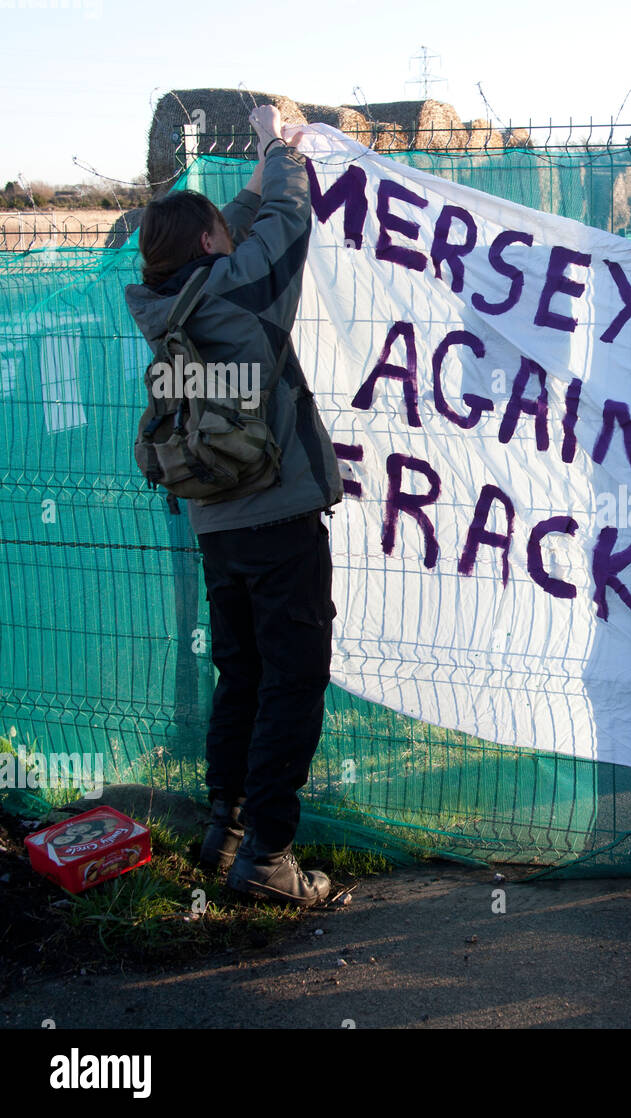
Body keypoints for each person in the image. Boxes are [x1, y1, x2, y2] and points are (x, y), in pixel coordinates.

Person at [125, 106, 343, 906]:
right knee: (294, 680)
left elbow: (243, 233)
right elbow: (284, 220)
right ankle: (271, 861)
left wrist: (247, 183)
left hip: (215, 522)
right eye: (221, 232)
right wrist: (278, 147)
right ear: (211, 245)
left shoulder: (169, 299)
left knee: (242, 672)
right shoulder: (239, 294)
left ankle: (224, 832)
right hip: (278, 517)